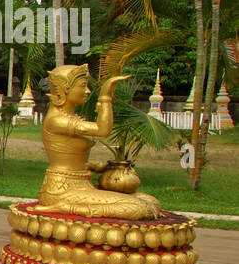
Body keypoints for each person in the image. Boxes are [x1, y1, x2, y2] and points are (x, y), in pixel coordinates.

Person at [35, 65, 161, 219]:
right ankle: (68, 208)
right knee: (140, 208)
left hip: (82, 185)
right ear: (64, 89)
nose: (87, 90)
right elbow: (102, 130)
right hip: (61, 190)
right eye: (82, 86)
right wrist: (105, 96)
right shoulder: (57, 121)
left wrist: (98, 166)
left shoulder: (70, 118)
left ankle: (72, 206)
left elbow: (72, 159)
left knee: (150, 202)